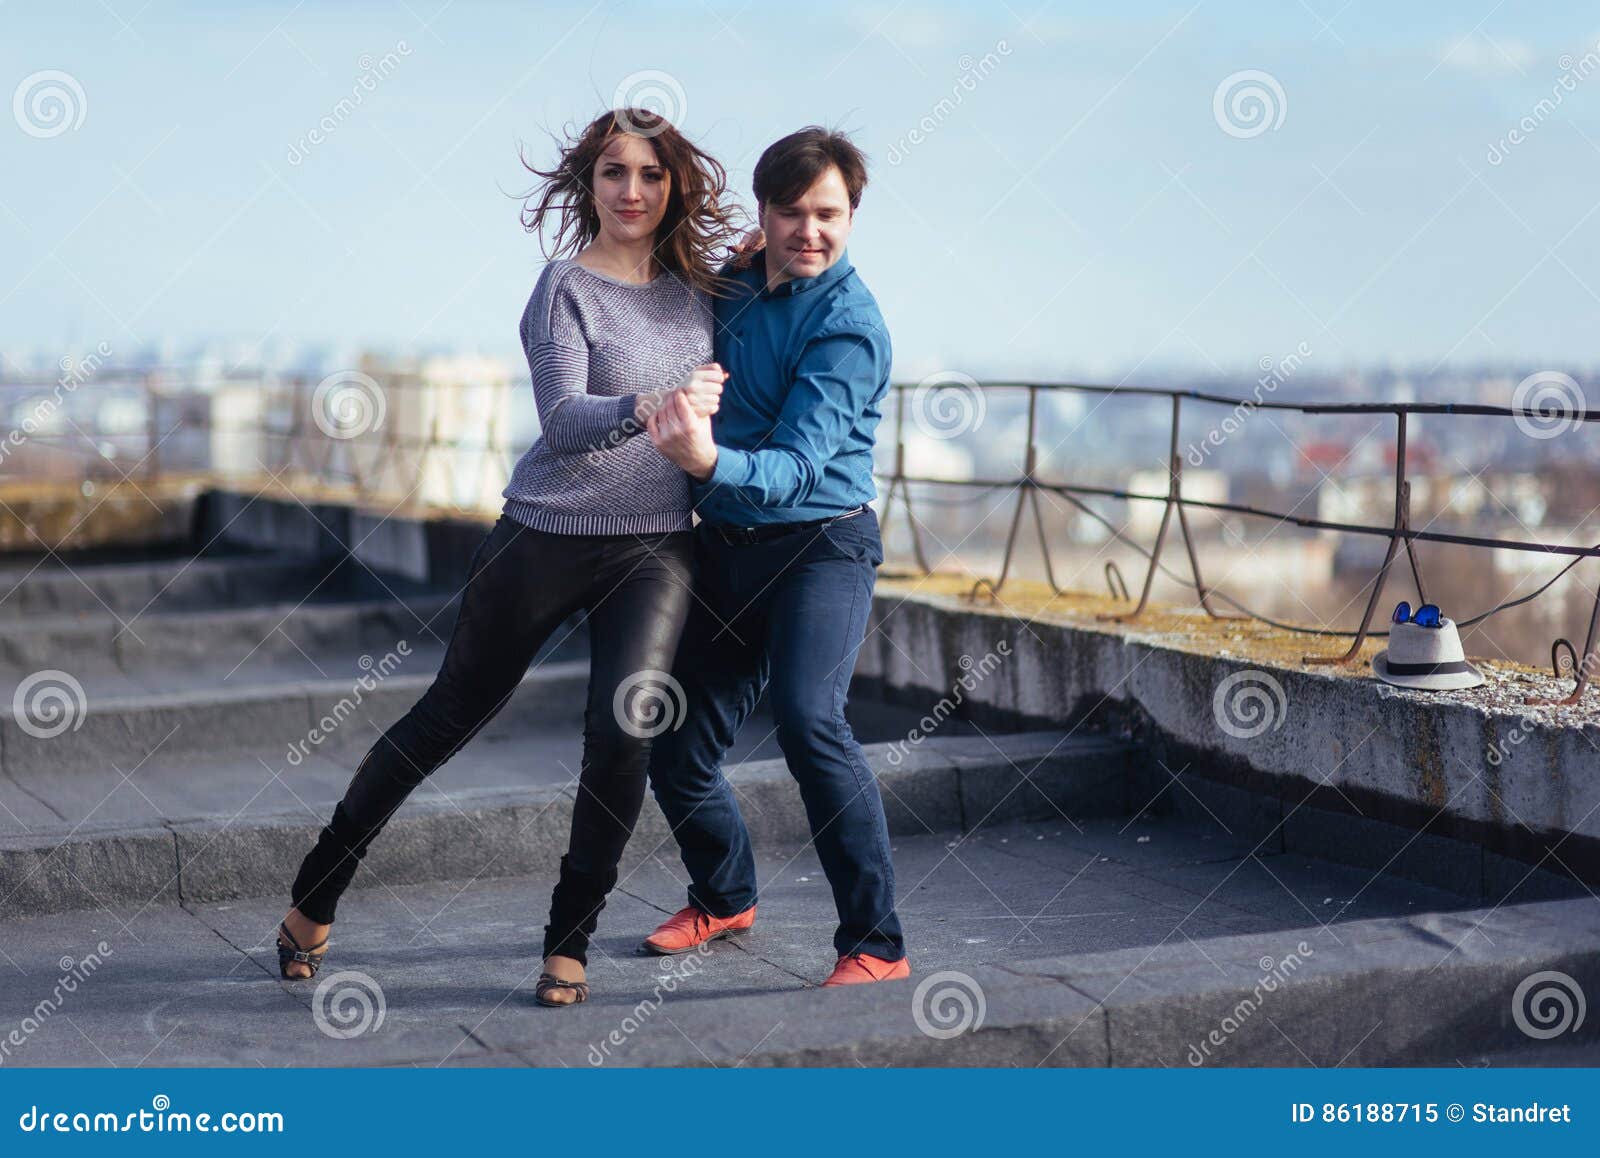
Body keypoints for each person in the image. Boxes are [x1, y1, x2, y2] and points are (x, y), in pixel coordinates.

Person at [276, 107, 742, 1008]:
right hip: (544, 535)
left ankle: (569, 942)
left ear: (673, 184)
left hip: (656, 548)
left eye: (650, 174)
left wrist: (760, 247)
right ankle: (316, 892)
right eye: (615, 173)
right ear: (589, 184)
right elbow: (563, 422)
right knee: (446, 718)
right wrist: (650, 402)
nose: (633, 191)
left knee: (624, 732)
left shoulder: (703, 291)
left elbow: (783, 286)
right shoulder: (563, 289)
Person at [642, 126, 911, 987]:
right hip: (727, 544)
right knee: (675, 742)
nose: (810, 232)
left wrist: (706, 463)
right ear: (762, 213)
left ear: (855, 215)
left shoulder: (851, 327)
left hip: (822, 543)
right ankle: (724, 896)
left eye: (828, 214)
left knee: (809, 721)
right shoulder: (735, 282)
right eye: (791, 212)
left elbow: (798, 466)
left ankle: (877, 944)